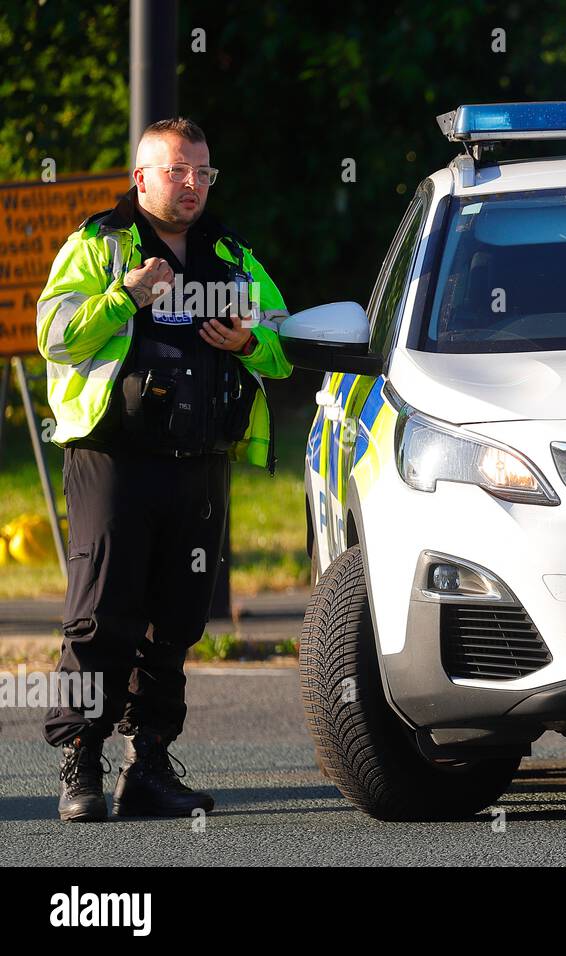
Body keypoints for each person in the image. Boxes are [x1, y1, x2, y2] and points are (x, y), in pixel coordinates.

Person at [35, 117, 293, 821]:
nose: (192, 185)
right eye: (177, 170)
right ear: (141, 176)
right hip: (114, 459)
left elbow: (286, 340)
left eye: (202, 172)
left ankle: (146, 766)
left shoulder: (233, 255)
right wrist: (124, 295)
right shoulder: (99, 244)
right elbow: (53, 335)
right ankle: (79, 767)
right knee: (100, 615)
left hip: (200, 463)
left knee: (176, 622)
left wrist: (250, 341)